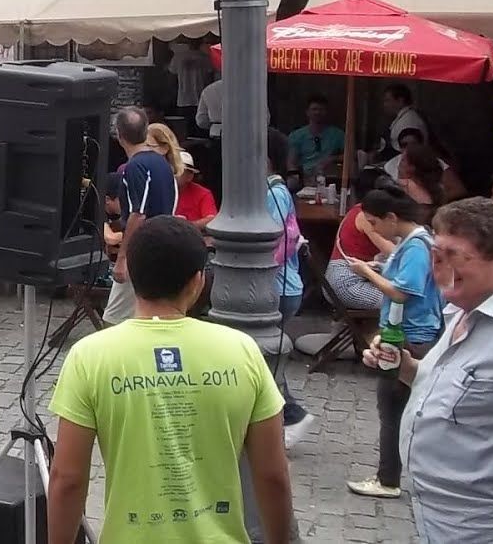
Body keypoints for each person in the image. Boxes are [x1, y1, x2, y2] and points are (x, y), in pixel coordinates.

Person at [47, 215, 293, 544]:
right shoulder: (242, 351)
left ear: (131, 274)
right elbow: (273, 475)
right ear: (198, 281)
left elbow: (67, 479)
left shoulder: (90, 356)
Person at [361, 197, 493, 543]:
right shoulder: (459, 312)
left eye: (454, 256)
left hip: (482, 525)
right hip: (434, 517)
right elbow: (440, 384)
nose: (438, 268)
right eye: (435, 255)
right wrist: (405, 367)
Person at [345, 186, 445, 500]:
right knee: (396, 406)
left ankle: (388, 479)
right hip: (407, 331)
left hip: (410, 336)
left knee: (391, 407)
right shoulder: (412, 243)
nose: (372, 229)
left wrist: (365, 272)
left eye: (374, 223)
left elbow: (403, 291)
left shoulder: (416, 246)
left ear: (391, 218)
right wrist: (378, 268)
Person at [103, 107, 178, 325]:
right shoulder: (163, 165)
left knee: (114, 319)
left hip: (142, 250)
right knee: (151, 316)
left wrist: (122, 258)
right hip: (164, 245)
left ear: (119, 134)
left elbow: (138, 214)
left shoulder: (135, 167)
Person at [263, 128, 313, 449]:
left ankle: (292, 415)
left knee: (264, 359)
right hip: (280, 284)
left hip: (277, 286)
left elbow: (281, 240)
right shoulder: (274, 190)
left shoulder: (274, 193)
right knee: (264, 360)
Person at [325, 168, 401, 310]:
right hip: (348, 282)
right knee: (401, 303)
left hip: (359, 276)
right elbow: (393, 251)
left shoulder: (364, 211)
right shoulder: (366, 216)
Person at [287, 94, 345, 178]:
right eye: (314, 109)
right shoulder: (296, 135)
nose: (317, 112)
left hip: (330, 176)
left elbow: (350, 156)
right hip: (305, 177)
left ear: (326, 112)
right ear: (307, 112)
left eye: (321, 109)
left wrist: (332, 158)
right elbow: (291, 162)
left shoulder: (338, 134)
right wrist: (293, 175)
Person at [173, 152, 217, 231]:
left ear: (190, 176)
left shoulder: (203, 193)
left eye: (178, 171)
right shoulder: (159, 190)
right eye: (172, 169)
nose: (174, 174)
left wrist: (187, 225)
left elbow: (211, 219)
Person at [382, 83, 428, 155]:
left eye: (387, 100)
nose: (385, 105)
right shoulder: (403, 117)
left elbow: (410, 153)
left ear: (400, 101)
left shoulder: (409, 122)